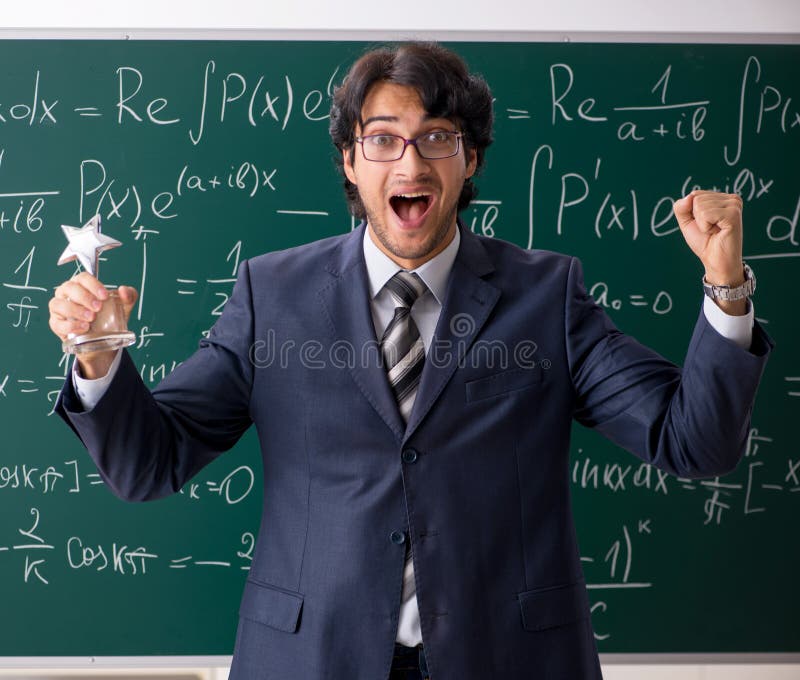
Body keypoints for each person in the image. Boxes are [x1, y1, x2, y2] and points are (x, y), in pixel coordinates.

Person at [49, 42, 771, 680]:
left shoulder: (547, 296)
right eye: (384, 139)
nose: (412, 160)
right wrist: (99, 354)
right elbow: (149, 465)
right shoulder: (270, 294)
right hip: (311, 660)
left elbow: (695, 442)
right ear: (351, 160)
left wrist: (725, 288)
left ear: (470, 158)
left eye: (436, 137)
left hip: (508, 661)